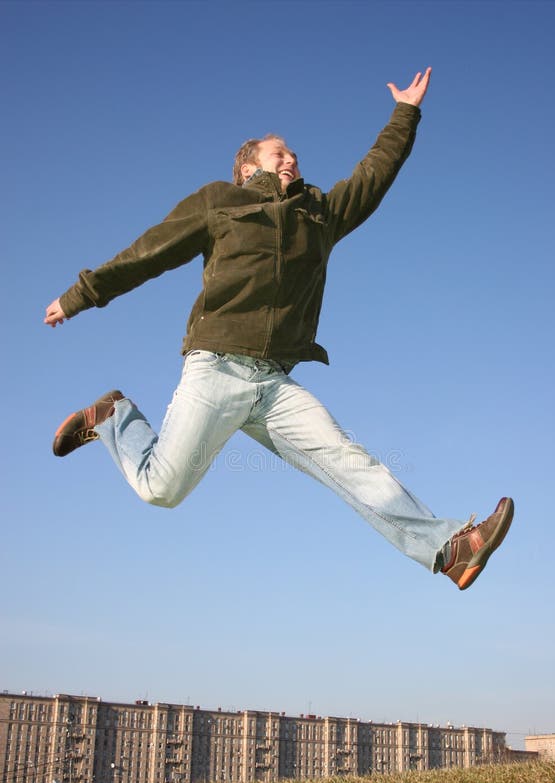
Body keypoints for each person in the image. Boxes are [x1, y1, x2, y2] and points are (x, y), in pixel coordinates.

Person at [45, 69, 513, 590]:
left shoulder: (320, 214)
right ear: (248, 169)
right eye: (278, 153)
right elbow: (150, 251)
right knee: (161, 489)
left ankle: (449, 549)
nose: (291, 159)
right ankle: (114, 416)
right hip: (216, 366)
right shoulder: (221, 201)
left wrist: (405, 114)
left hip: (274, 384)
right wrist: (81, 295)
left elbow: (373, 175)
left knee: (348, 460)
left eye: (293, 154)